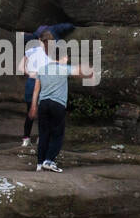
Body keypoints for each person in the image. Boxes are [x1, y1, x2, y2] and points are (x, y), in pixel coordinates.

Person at [27, 29, 93, 173]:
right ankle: (49, 161)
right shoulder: (64, 68)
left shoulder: (42, 69)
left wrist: (33, 106)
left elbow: (36, 90)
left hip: (43, 104)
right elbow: (83, 73)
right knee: (57, 134)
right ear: (62, 57)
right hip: (57, 104)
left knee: (43, 134)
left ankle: (39, 164)